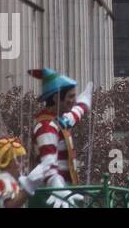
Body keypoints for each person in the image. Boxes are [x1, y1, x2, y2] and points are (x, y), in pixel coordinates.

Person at [29, 67, 93, 208]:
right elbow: (48, 164)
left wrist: (85, 102)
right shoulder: (46, 127)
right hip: (51, 198)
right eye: (70, 97)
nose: (74, 101)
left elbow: (74, 115)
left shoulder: (59, 120)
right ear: (56, 98)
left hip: (66, 193)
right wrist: (58, 189)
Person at [0, 138, 48, 208]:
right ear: (7, 162)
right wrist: (29, 186)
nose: (22, 164)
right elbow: (9, 206)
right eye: (18, 160)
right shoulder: (1, 181)